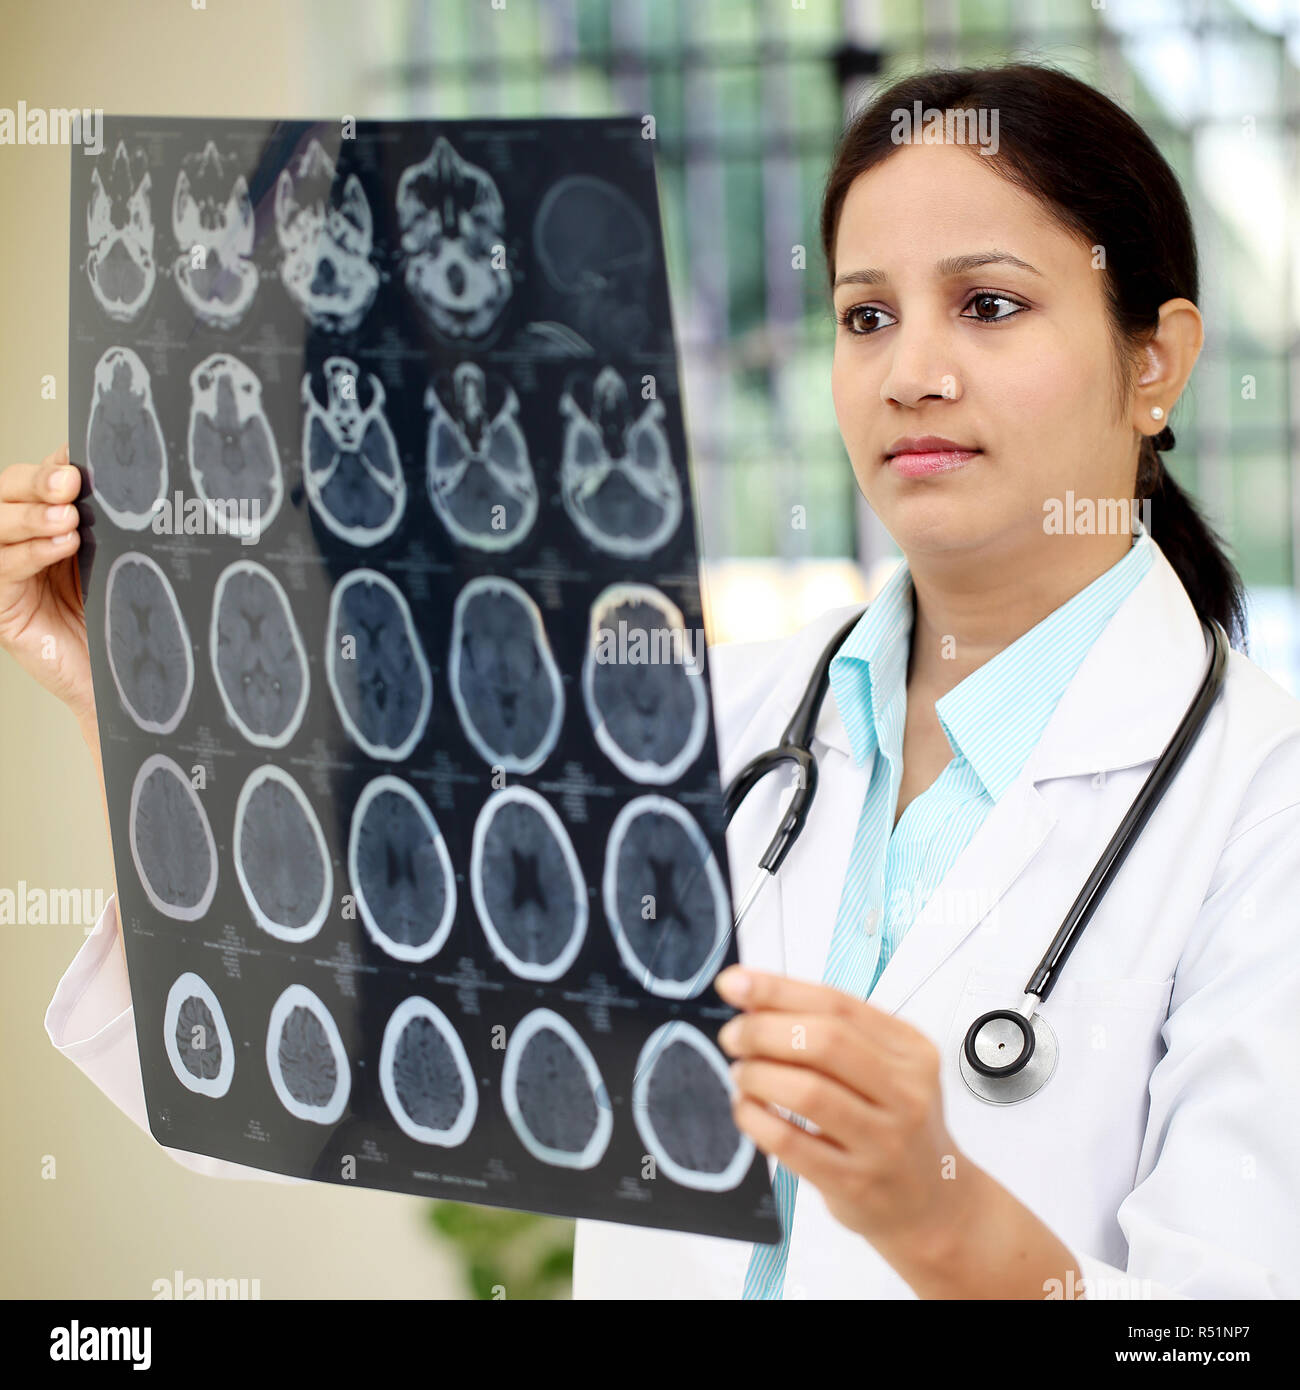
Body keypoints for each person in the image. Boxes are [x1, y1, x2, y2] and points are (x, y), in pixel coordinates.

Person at [7, 62, 1300, 1299]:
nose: (911, 373)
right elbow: (303, 1085)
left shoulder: (1263, 806)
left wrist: (946, 1215)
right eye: (866, 314)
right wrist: (130, 709)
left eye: (991, 304)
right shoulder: (699, 721)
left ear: (1157, 361)